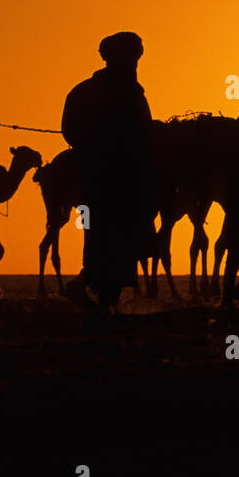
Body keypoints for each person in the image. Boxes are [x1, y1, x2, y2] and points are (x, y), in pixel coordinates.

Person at [61, 32, 154, 309]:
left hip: (116, 177)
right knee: (106, 233)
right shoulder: (96, 93)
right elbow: (73, 131)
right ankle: (96, 290)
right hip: (105, 177)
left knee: (112, 234)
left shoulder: (91, 92)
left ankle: (101, 294)